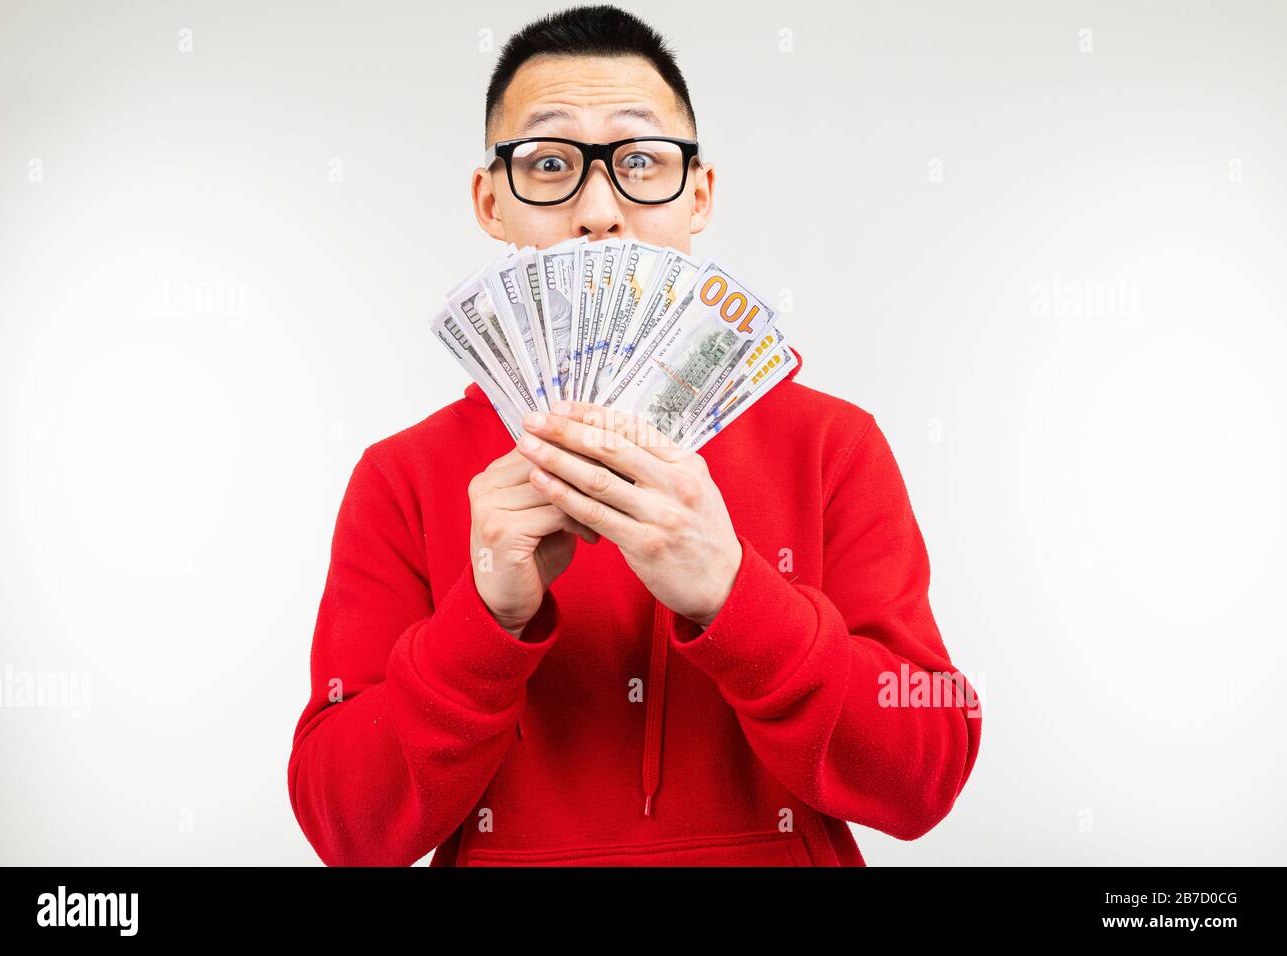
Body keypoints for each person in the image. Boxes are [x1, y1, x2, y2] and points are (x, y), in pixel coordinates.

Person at [286, 3, 981, 867]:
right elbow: (345, 829)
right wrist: (487, 621)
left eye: (640, 161)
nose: (599, 210)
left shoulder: (833, 445)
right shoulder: (401, 476)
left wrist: (734, 592)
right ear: (490, 201)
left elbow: (923, 779)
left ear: (699, 196)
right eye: (548, 164)